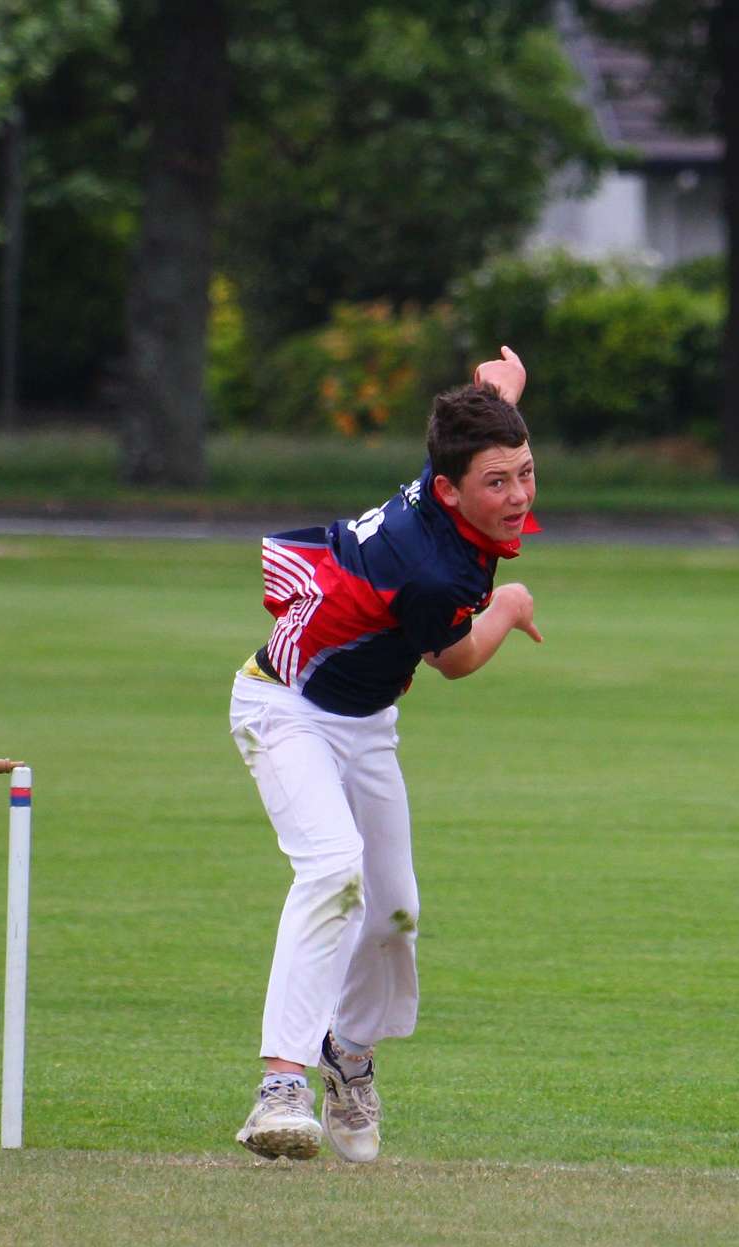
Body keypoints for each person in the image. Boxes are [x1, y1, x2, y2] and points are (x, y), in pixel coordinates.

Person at [230, 347, 540, 1162]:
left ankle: (349, 1051)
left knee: (395, 911)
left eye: (525, 474)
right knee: (333, 868)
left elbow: (483, 413)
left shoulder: (454, 460)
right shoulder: (435, 570)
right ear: (448, 491)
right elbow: (456, 659)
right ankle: (280, 1088)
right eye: (497, 484)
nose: (516, 497)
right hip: (284, 706)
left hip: (364, 722)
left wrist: (499, 388)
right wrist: (508, 605)